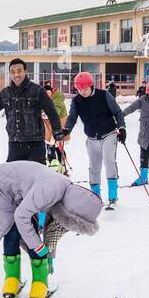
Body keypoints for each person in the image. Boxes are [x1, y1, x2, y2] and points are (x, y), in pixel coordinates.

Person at [0, 160, 102, 298]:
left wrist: (48, 254)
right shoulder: (50, 190)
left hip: (14, 193)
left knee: (23, 231)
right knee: (13, 230)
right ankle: (16, 280)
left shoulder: (65, 194)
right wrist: (38, 247)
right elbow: (21, 216)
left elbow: (53, 226)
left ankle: (34, 281)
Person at [0, 58, 62, 165]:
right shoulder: (6, 93)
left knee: (35, 178)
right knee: (14, 178)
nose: (16, 75)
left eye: (19, 71)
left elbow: (51, 111)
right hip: (15, 143)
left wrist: (57, 130)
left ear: (25, 72)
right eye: (12, 72)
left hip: (35, 144)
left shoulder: (37, 90)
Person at [57, 72, 125, 207]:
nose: (83, 91)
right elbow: (72, 117)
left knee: (109, 161)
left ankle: (112, 196)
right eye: (79, 89)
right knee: (94, 167)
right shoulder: (76, 101)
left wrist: (122, 128)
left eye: (85, 88)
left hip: (109, 134)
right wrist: (66, 130)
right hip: (92, 138)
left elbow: (117, 112)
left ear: (91, 85)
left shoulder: (104, 95)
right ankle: (96, 197)